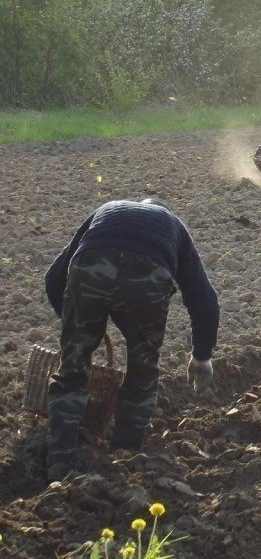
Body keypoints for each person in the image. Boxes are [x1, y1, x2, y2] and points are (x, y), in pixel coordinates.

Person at [43, 199, 219, 483]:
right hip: (147, 275)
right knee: (142, 369)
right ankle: (122, 460)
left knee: (72, 369)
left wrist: (77, 331)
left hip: (90, 264)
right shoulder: (173, 226)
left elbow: (53, 278)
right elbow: (204, 299)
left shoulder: (107, 210)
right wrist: (201, 355)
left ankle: (58, 463)